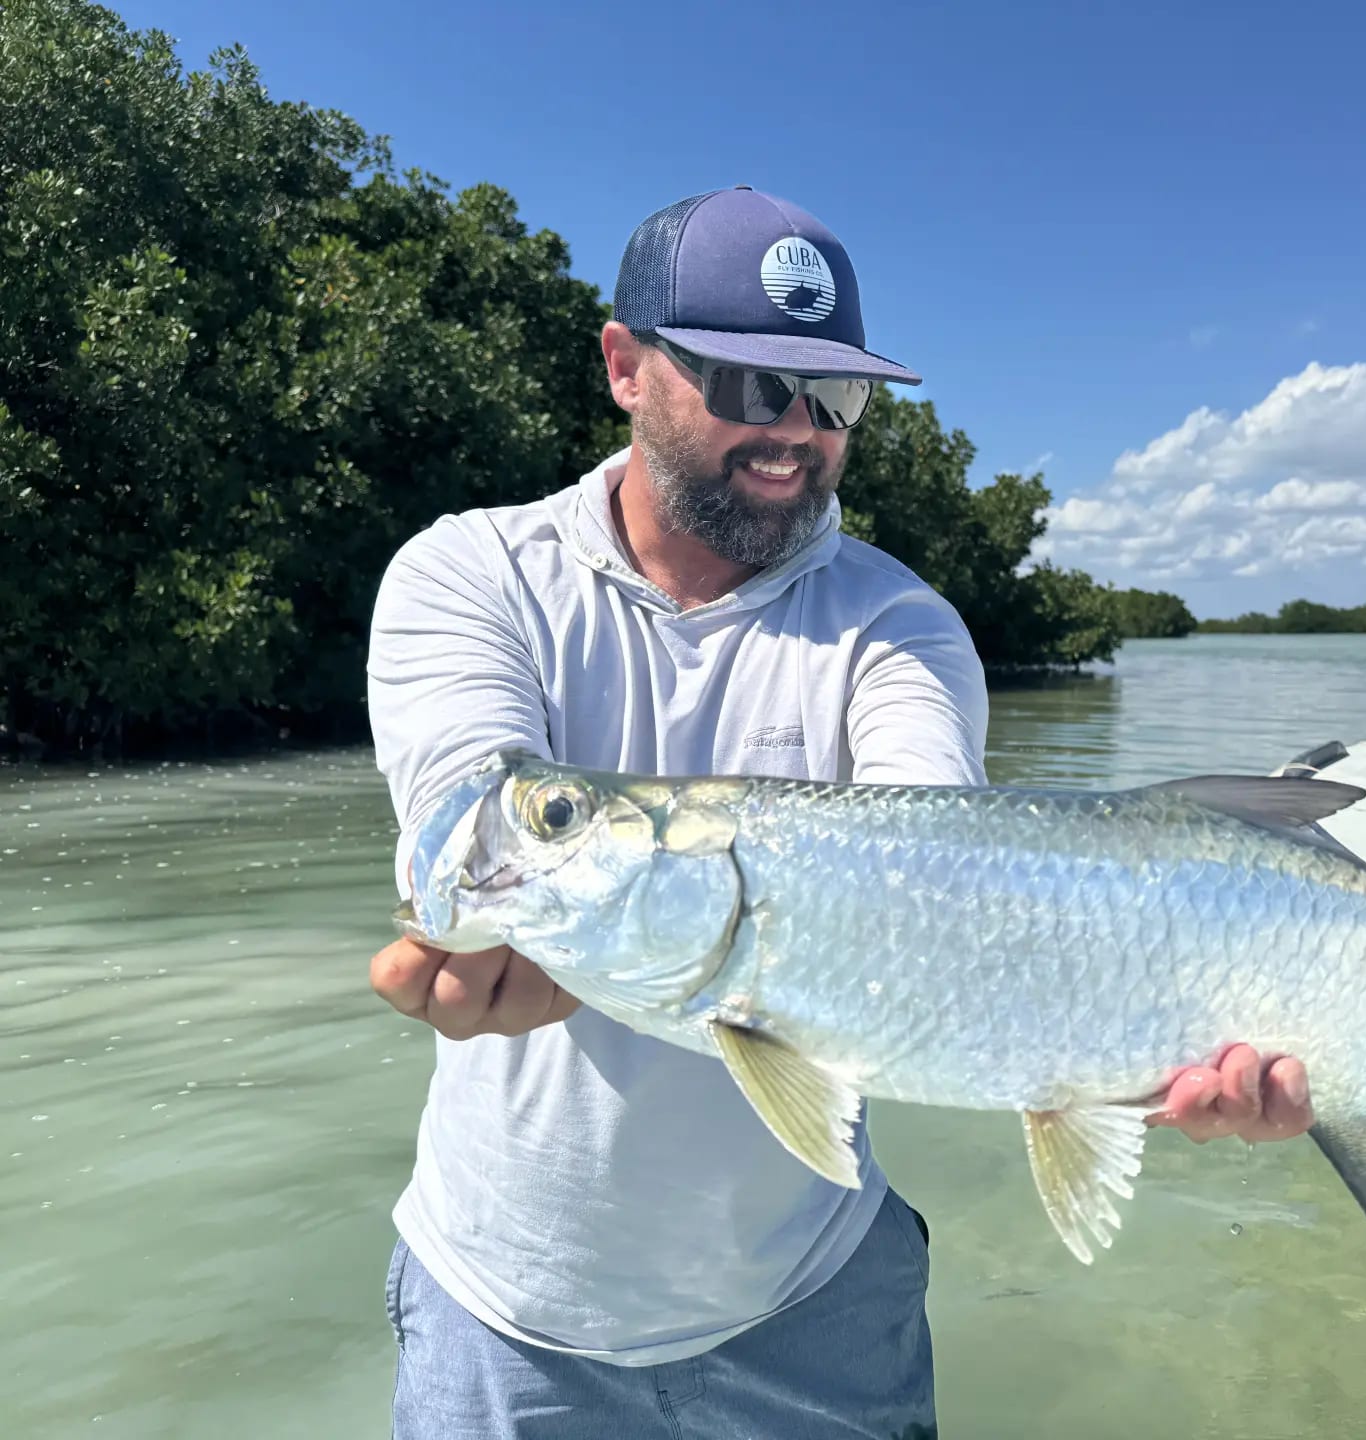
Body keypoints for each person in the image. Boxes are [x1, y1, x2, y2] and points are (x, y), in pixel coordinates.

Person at [362, 185, 1315, 1439]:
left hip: (819, 1307)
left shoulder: (900, 625)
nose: (797, 433)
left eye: (835, 398)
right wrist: (482, 903)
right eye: (752, 385)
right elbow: (466, 803)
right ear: (624, 365)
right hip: (504, 1315)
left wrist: (1129, 1042)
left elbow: (940, 867)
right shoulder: (469, 573)